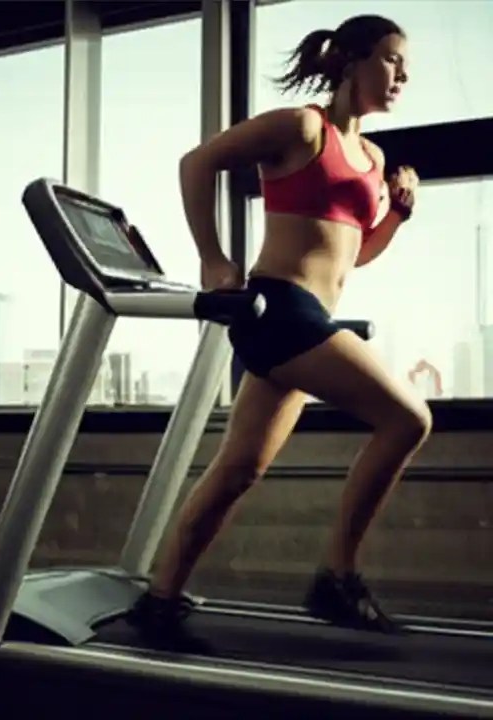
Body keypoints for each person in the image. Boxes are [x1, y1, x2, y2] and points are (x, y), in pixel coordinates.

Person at [127, 15, 424, 651]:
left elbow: (352, 257)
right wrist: (211, 259)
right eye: (394, 61)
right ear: (352, 60)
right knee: (408, 419)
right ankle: (338, 578)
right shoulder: (302, 127)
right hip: (278, 308)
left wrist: (394, 214)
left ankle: (159, 600)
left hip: (310, 316)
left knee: (238, 469)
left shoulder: (372, 158)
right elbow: (197, 161)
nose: (404, 76)